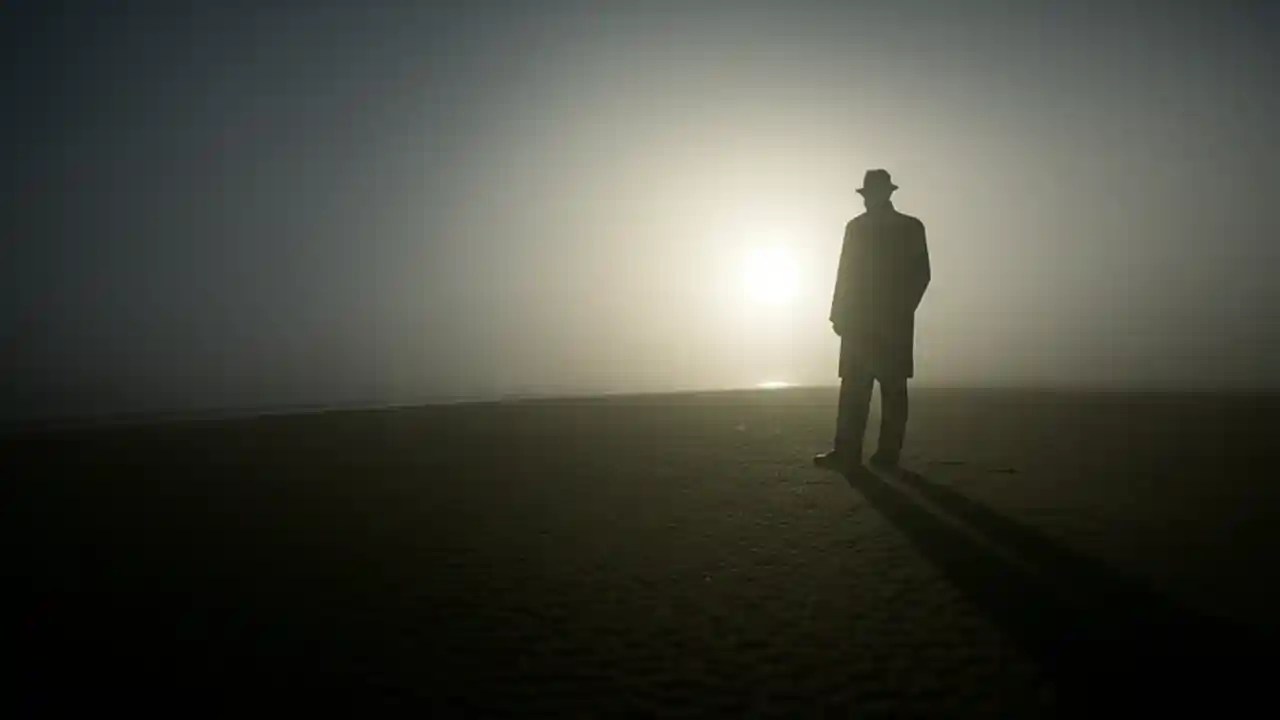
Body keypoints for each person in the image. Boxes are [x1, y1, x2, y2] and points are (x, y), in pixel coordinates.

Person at [814, 169, 930, 473]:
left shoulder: (907, 227)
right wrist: (839, 313)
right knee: (859, 389)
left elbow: (920, 274)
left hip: (881, 323)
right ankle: (856, 453)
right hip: (865, 323)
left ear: (883, 194)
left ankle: (876, 454)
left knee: (885, 390)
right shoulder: (860, 227)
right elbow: (845, 274)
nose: (868, 201)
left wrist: (898, 311)